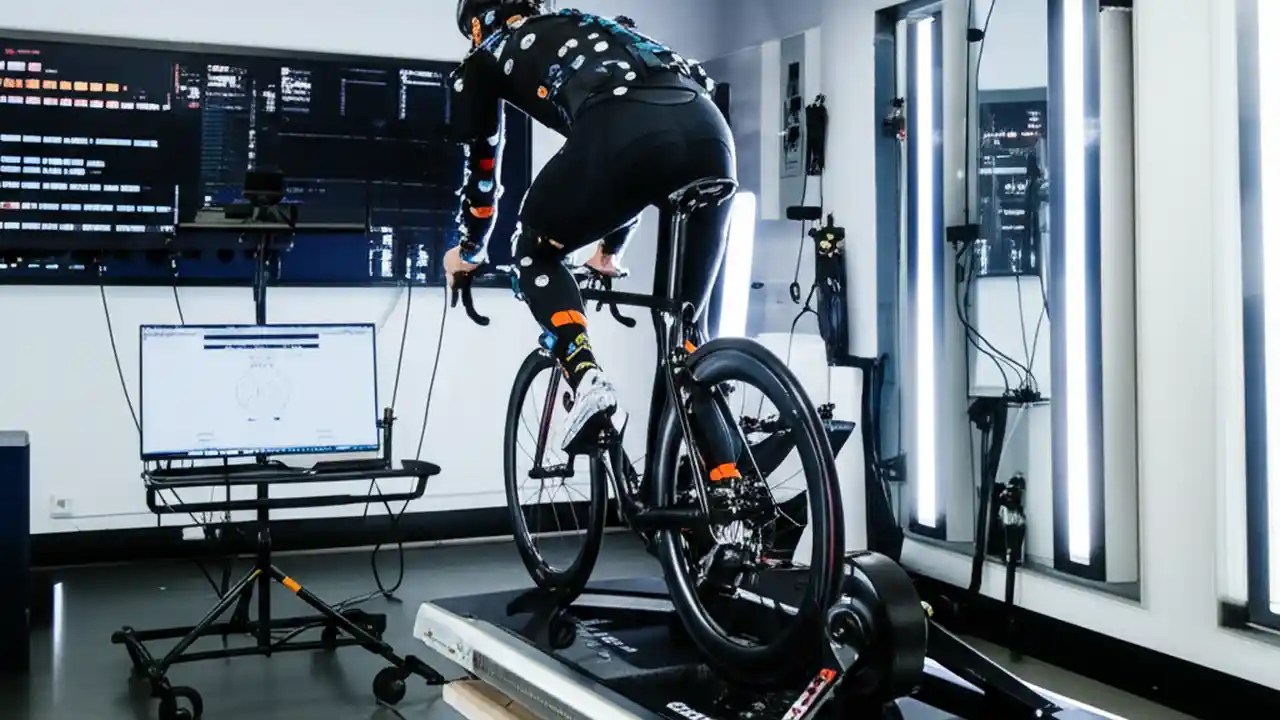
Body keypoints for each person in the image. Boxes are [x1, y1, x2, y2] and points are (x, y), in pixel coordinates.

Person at [443, 0, 737, 451]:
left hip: (621, 128)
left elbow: (483, 177)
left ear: (479, 25)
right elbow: (639, 165)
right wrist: (609, 254)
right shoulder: (598, 26)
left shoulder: (485, 57)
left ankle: (586, 378)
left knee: (533, 250)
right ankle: (722, 472)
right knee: (687, 333)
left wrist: (468, 251)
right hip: (709, 131)